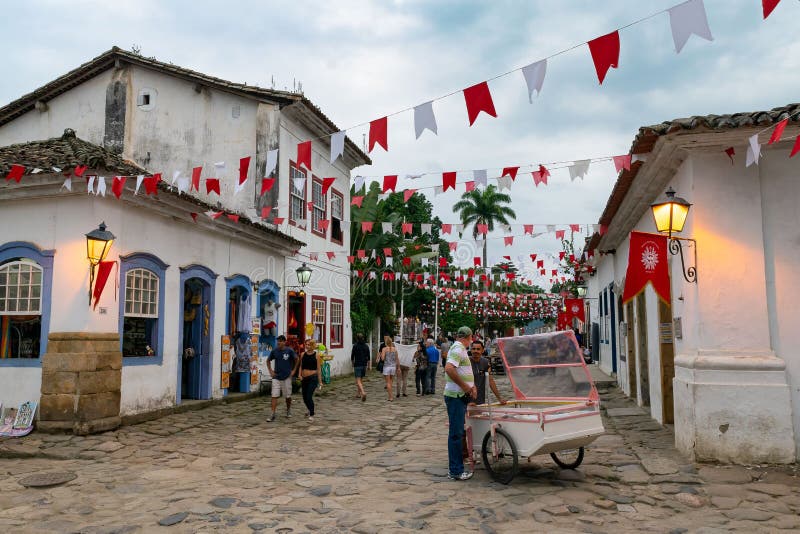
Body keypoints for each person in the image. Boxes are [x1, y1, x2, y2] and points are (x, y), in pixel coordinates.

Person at [443, 326, 476, 481]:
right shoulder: (458, 348)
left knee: (457, 432)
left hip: (458, 395)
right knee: (456, 434)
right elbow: (449, 369)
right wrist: (465, 387)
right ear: (469, 337)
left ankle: (456, 468)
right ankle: (455, 470)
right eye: (472, 338)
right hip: (456, 396)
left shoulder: (458, 348)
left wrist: (471, 385)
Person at [266, 335, 299, 422]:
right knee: (274, 395)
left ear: (284, 342)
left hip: (286, 376)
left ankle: (288, 410)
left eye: (280, 341)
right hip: (276, 376)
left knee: (287, 396)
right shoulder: (275, 351)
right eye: (278, 341)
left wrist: (294, 370)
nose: (279, 343)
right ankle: (272, 413)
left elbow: (297, 359)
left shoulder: (289, 351)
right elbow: (268, 360)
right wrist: (271, 371)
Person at [469, 339, 506, 406]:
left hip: (480, 398)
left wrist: (499, 398)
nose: (475, 351)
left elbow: (490, 380)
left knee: (479, 416)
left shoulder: (485, 363)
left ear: (482, 350)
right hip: (467, 399)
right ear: (471, 350)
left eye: (478, 349)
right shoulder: (466, 362)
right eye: (473, 349)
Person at [299, 338, 323, 422]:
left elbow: (319, 369)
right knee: (304, 397)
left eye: (309, 344)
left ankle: (312, 414)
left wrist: (320, 381)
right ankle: (309, 409)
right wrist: (299, 374)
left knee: (309, 396)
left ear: (312, 345)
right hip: (304, 378)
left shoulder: (317, 355)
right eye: (306, 344)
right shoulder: (302, 354)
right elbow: (301, 366)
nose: (307, 346)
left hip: (313, 377)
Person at [351, 333, 371, 401]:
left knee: (358, 380)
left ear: (357, 338)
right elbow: (368, 357)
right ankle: (358, 393)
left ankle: (363, 392)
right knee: (361, 380)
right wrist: (368, 366)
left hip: (357, 365)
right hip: (364, 365)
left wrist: (352, 364)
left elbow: (352, 356)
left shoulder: (355, 346)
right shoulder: (366, 346)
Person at [379, 336, 398, 401]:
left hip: (387, 367)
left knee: (388, 382)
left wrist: (381, 355)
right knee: (391, 382)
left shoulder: (384, 349)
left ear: (386, 343)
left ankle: (390, 397)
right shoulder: (395, 349)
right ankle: (391, 395)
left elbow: (382, 358)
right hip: (393, 367)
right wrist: (398, 368)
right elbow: (397, 359)